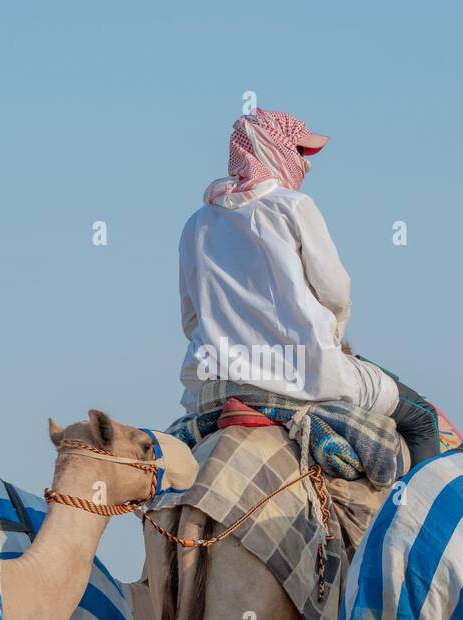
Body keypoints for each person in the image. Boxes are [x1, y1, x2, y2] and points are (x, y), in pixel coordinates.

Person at [178, 108, 441, 466]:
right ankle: (410, 516)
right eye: (301, 151)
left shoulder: (196, 224)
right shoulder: (294, 207)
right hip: (304, 375)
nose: (308, 164)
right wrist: (330, 337)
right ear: (270, 149)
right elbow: (335, 291)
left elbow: (191, 320)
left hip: (214, 386)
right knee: (423, 418)